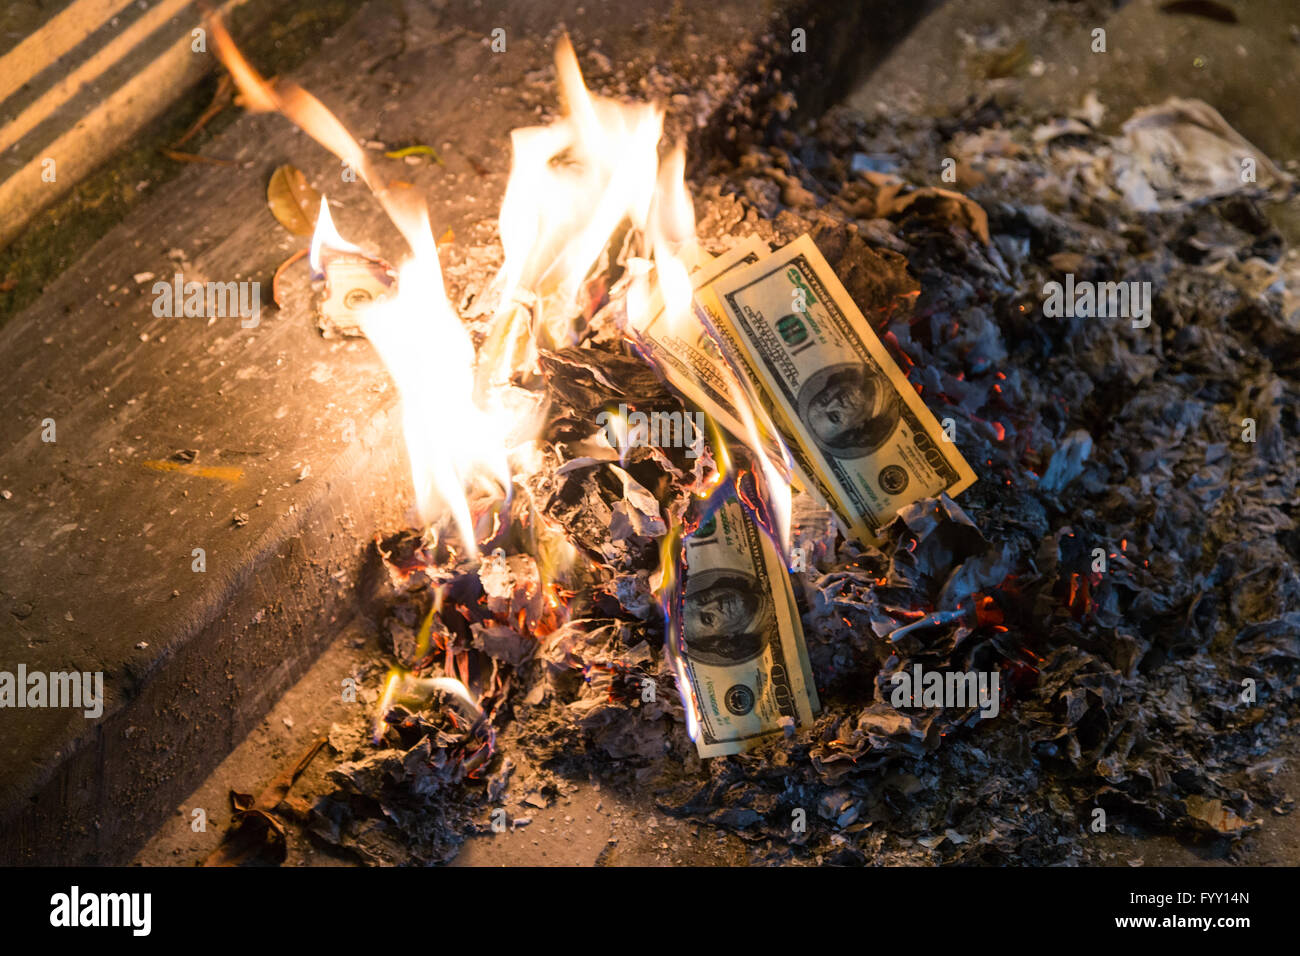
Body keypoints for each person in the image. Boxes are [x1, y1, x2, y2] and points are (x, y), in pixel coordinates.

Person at [797, 361, 899, 458]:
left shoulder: (863, 367)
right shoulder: (893, 408)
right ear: (855, 429)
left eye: (825, 399)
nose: (836, 401)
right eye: (835, 416)